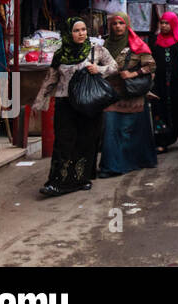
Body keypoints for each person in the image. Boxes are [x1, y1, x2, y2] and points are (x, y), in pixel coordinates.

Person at [33, 17, 117, 197]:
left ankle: (82, 179)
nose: (81, 34)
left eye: (84, 30)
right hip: (65, 103)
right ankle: (57, 182)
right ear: (68, 33)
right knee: (63, 142)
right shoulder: (60, 54)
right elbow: (51, 79)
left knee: (86, 141)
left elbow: (114, 66)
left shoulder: (96, 49)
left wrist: (99, 70)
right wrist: (40, 102)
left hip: (88, 104)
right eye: (76, 30)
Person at [98, 12, 157, 178]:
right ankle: (112, 166)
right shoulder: (105, 45)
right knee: (110, 129)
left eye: (121, 23)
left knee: (132, 131)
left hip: (133, 95)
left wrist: (134, 74)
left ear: (127, 25)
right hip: (111, 94)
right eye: (115, 23)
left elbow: (151, 66)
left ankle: (134, 162)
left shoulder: (136, 44)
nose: (118, 27)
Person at [150, 11, 178, 153]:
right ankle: (162, 141)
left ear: (173, 23)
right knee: (159, 110)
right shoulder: (155, 40)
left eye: (167, 23)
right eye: (162, 23)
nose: (164, 26)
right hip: (160, 83)